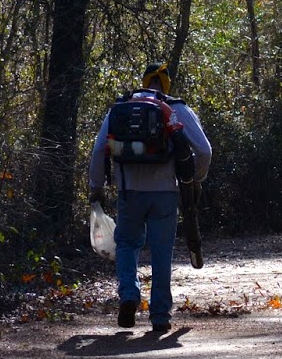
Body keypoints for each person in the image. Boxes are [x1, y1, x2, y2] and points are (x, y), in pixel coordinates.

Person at [86, 62, 211, 332]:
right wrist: (195, 179)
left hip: (129, 192)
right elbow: (204, 150)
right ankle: (160, 316)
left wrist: (96, 186)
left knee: (128, 244)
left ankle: (129, 295)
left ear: (144, 81)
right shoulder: (176, 108)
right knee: (161, 253)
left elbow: (98, 151)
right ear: (166, 84)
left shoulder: (120, 108)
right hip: (165, 192)